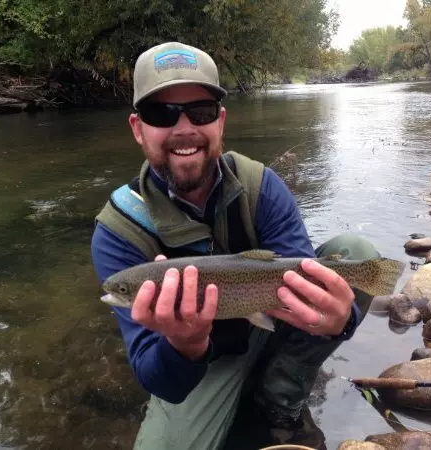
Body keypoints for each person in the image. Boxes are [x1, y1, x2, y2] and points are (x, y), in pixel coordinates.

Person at [91, 42, 380, 450]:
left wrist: (340, 321)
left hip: (271, 316)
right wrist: (185, 343)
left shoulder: (261, 186)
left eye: (202, 111)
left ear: (220, 121)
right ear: (138, 128)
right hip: (203, 362)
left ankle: (280, 399)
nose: (184, 127)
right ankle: (232, 392)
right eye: (162, 114)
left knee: (355, 252)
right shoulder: (119, 231)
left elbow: (309, 285)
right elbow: (154, 377)